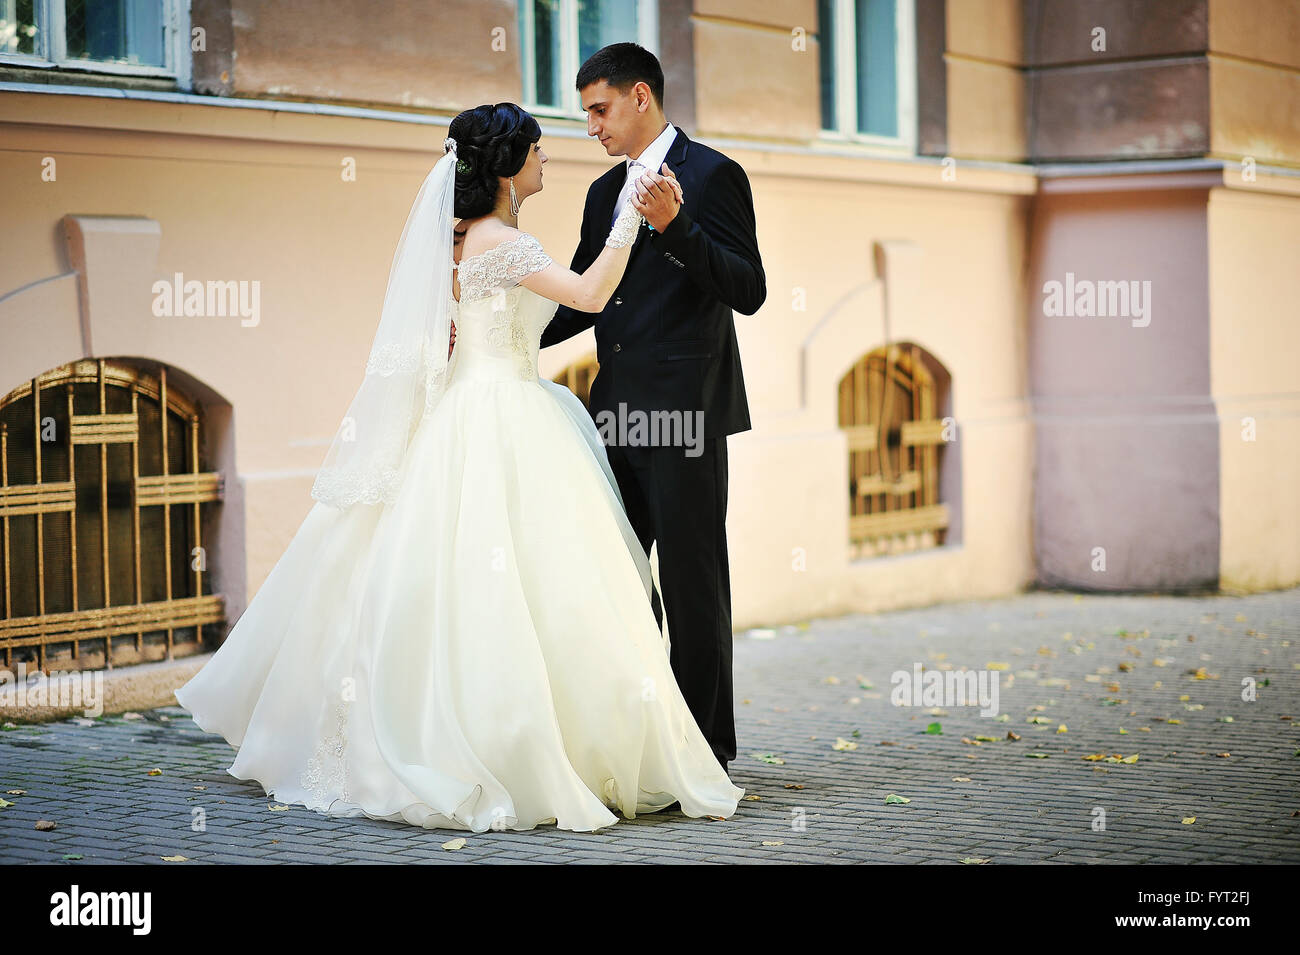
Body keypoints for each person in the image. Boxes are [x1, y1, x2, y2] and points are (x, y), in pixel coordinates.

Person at [173, 102, 744, 834]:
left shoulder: (460, 239)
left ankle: (504, 731)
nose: (549, 159)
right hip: (505, 414)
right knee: (529, 586)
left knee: (478, 586)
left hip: (484, 409)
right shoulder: (502, 240)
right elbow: (592, 295)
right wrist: (634, 218)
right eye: (538, 150)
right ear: (508, 164)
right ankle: (518, 745)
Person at [539, 44, 765, 774]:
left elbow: (749, 289)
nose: (593, 127)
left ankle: (705, 750)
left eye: (599, 110)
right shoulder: (603, 194)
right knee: (622, 581)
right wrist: (511, 336)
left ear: (642, 96)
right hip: (614, 412)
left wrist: (678, 226)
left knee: (693, 586)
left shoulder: (714, 176)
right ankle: (641, 740)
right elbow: (584, 294)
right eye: (585, 116)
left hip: (688, 416)